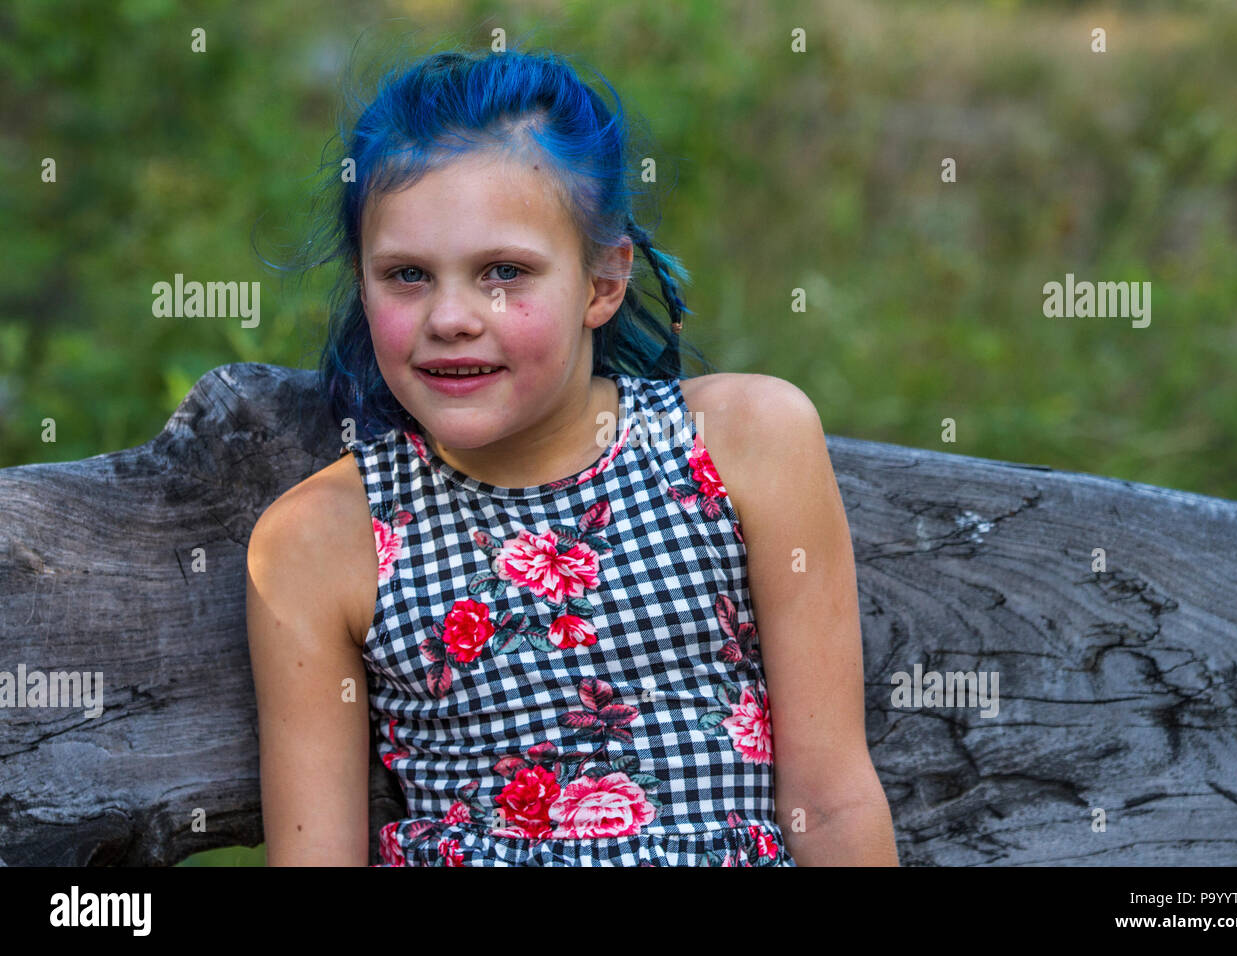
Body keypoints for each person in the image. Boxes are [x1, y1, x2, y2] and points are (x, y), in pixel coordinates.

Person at [245, 44, 898, 866]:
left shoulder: (743, 443)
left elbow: (831, 802)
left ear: (603, 282)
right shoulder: (317, 543)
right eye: (407, 274)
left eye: (503, 272)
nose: (450, 317)